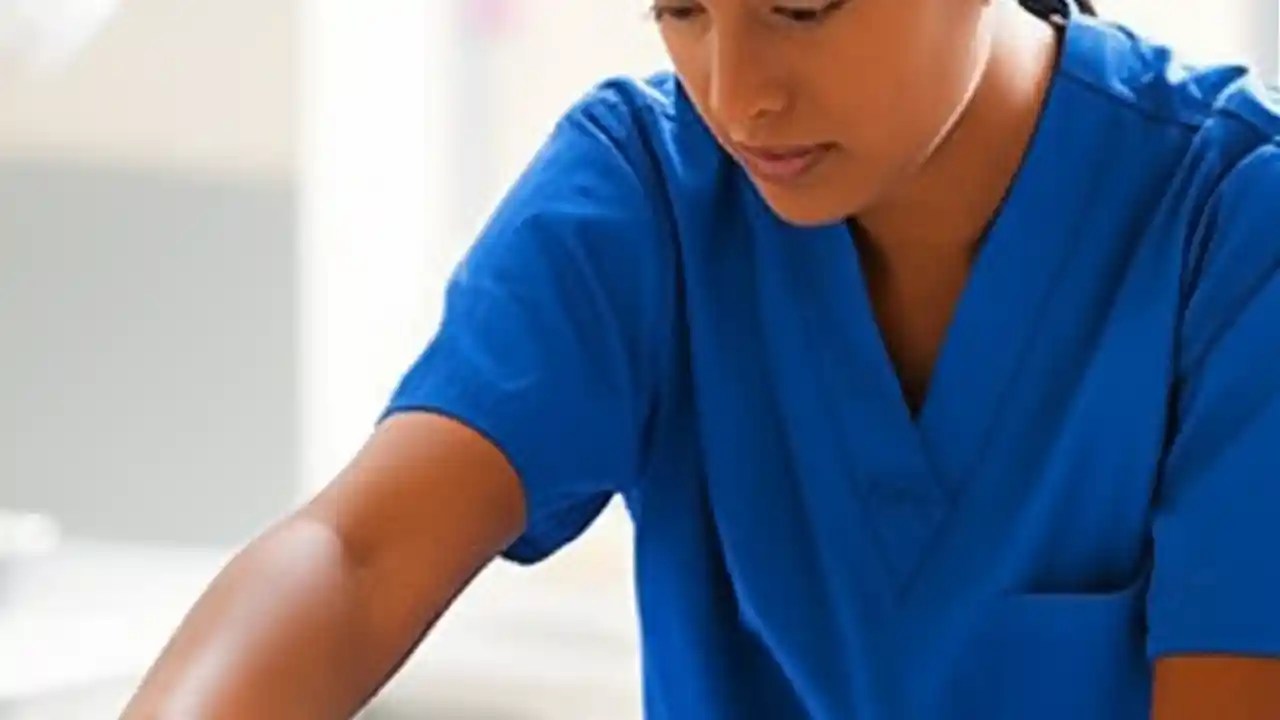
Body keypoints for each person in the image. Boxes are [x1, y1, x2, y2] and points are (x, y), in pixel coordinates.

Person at [123, 0, 1280, 717]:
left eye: (800, 7)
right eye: (678, 9)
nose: (738, 96)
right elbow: (357, 555)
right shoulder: (646, 193)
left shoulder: (1230, 232)